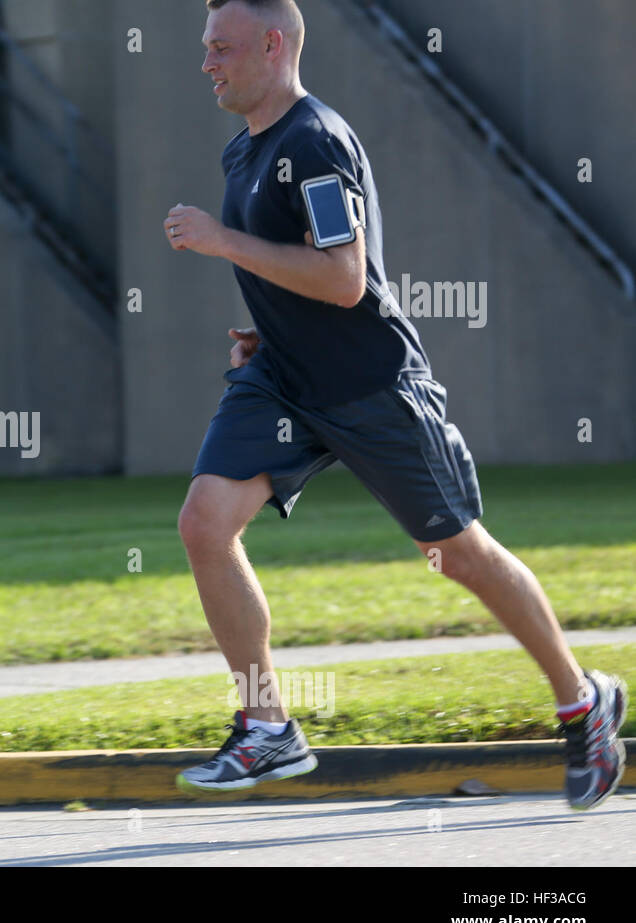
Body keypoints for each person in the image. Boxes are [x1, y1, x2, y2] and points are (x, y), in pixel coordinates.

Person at [164, 0, 625, 809]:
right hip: (283, 381)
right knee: (204, 522)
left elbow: (344, 279)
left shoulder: (314, 141)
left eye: (221, 47)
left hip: (371, 384)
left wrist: (221, 240)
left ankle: (582, 700)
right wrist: (264, 332)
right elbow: (297, 274)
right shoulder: (243, 151)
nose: (206, 62)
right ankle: (267, 724)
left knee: (458, 556)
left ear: (273, 45)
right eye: (205, 48)